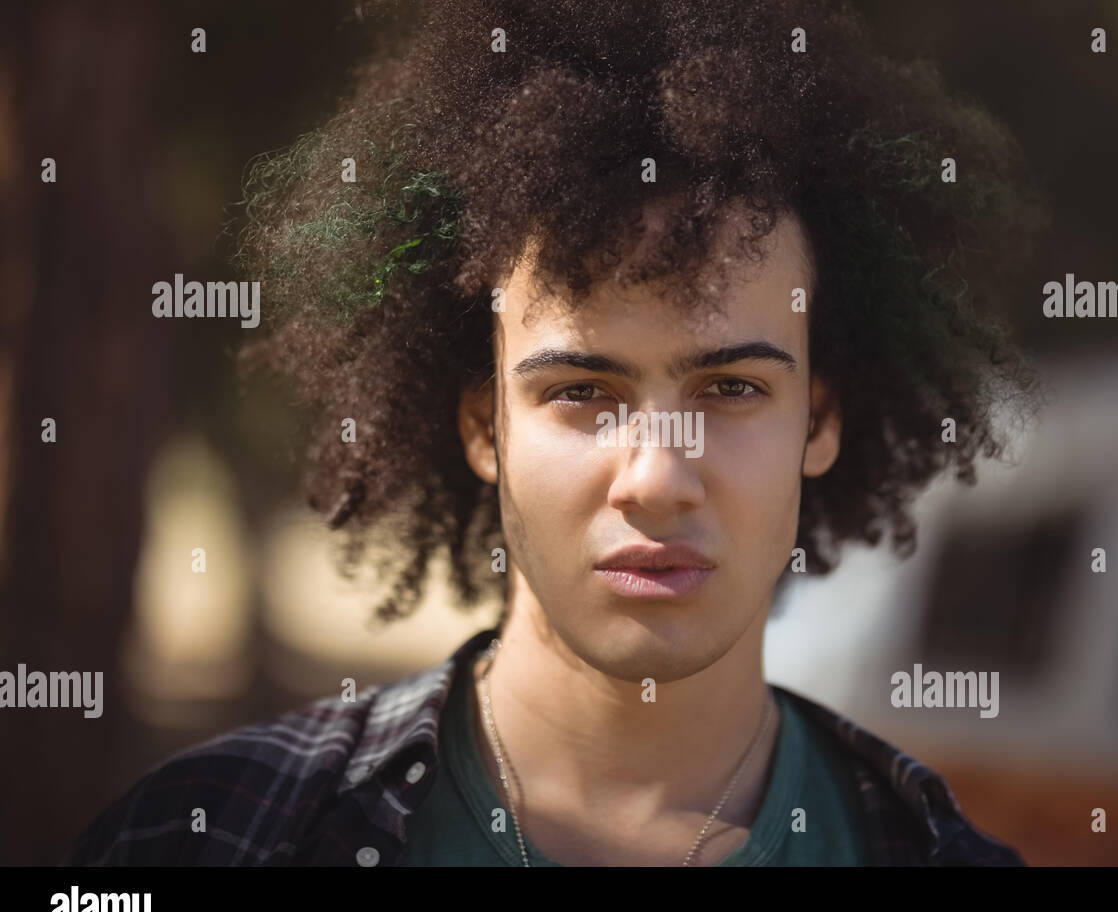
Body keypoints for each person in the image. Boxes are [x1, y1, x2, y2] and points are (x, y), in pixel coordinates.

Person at [65, 0, 1046, 866]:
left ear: (819, 420)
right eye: (581, 390)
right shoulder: (204, 835)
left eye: (733, 386)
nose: (657, 477)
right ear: (484, 426)